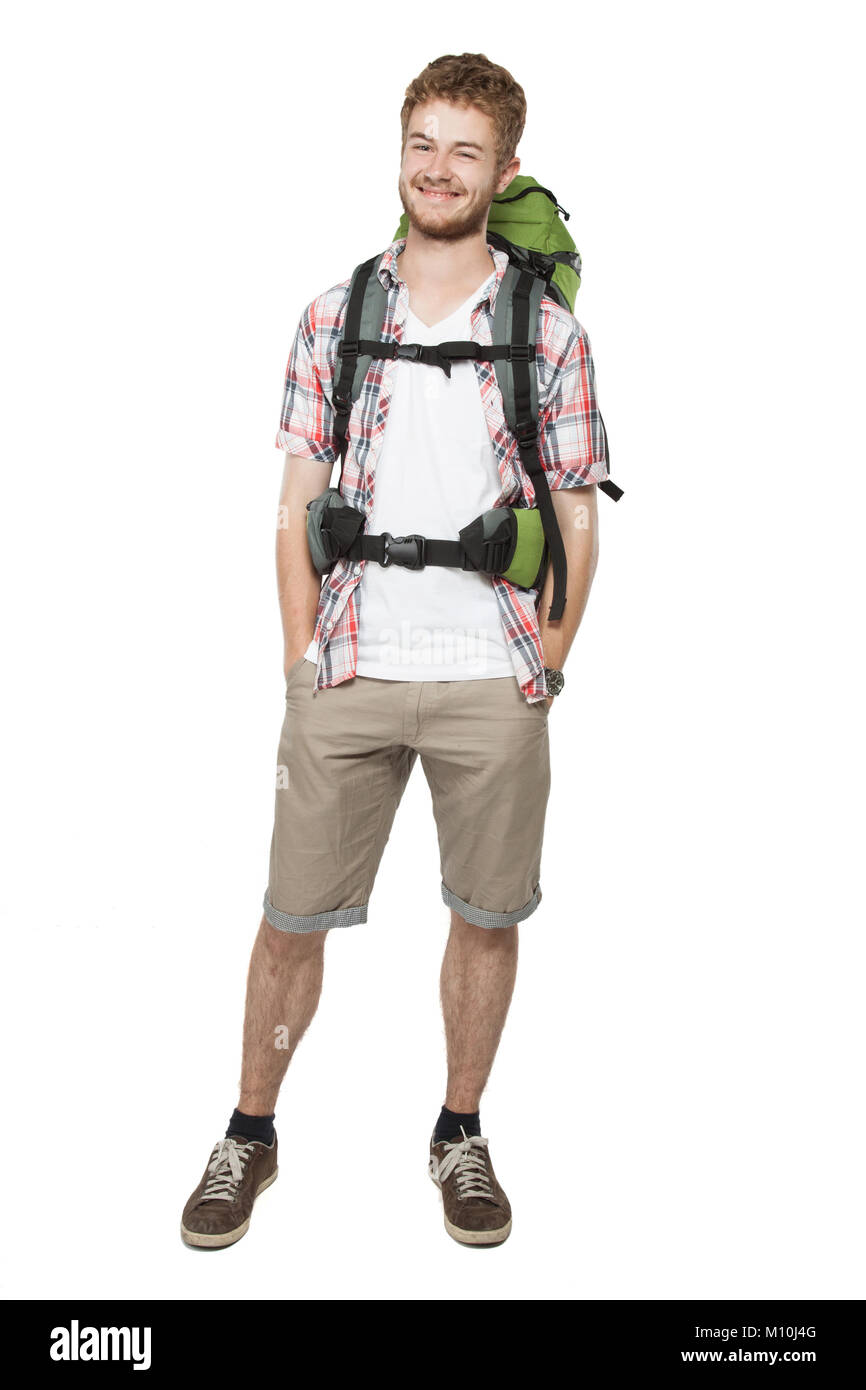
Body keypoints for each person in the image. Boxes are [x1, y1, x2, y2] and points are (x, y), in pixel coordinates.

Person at [181, 52, 611, 1251]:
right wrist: (298, 656)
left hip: (490, 676)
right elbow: (292, 499)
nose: (438, 167)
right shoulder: (336, 313)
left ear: (503, 170)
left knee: (485, 916)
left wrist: (546, 666)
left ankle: (458, 1131)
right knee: (287, 917)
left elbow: (577, 514)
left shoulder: (548, 332)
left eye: (464, 150)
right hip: (352, 665)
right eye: (423, 142)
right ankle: (249, 1131)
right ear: (400, 152)